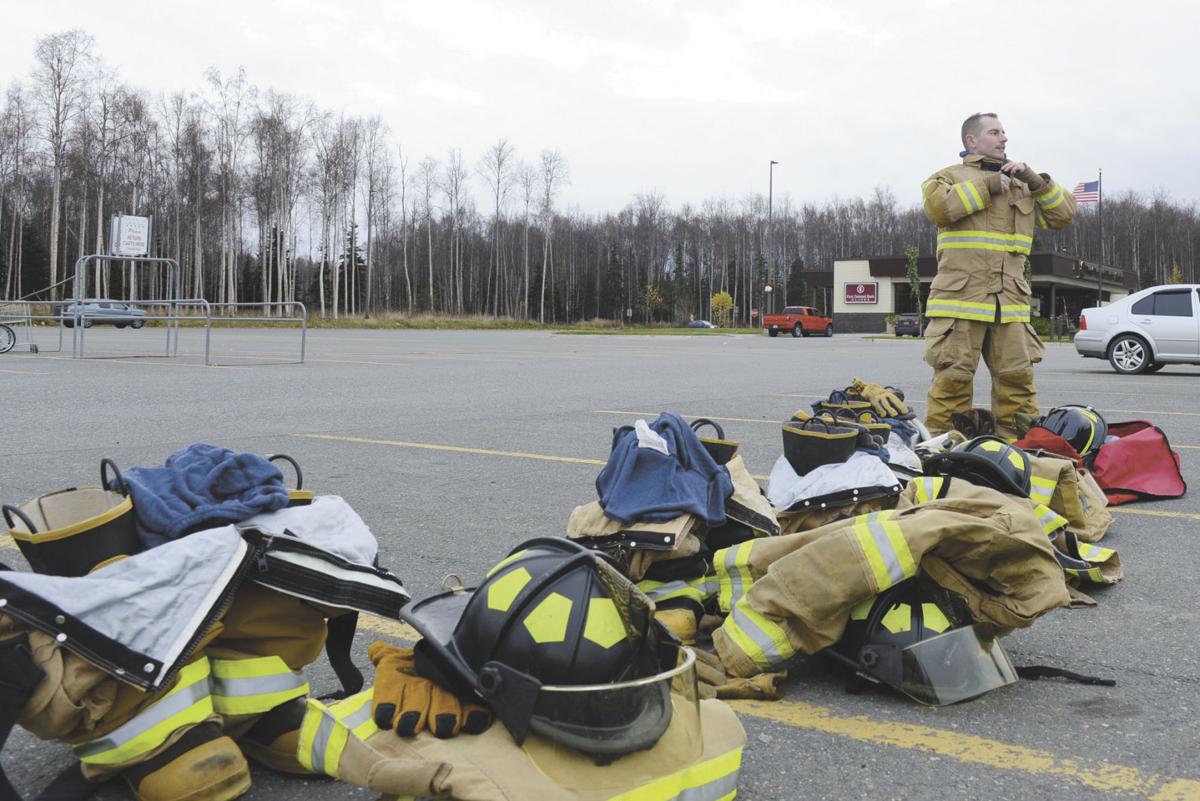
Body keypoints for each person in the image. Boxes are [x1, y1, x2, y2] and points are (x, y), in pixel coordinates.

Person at [921, 113, 1077, 440]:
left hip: (1010, 304)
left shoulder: (1022, 184)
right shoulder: (948, 177)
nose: (1004, 138)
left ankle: (1018, 453)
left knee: (1017, 384)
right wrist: (988, 186)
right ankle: (941, 453)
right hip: (959, 304)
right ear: (971, 140)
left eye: (1004, 132)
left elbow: (1063, 215)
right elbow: (938, 209)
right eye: (994, 132)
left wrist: (1036, 180)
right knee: (952, 383)